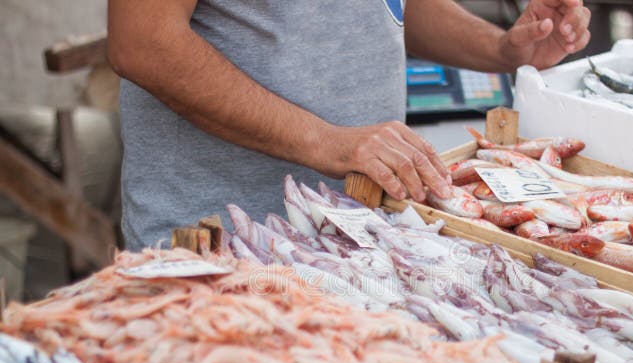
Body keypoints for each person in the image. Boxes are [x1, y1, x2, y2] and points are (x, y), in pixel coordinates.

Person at [108, 0, 591, 250]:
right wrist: (330, 143)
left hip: (361, 231)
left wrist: (500, 49)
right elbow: (144, 43)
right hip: (220, 241)